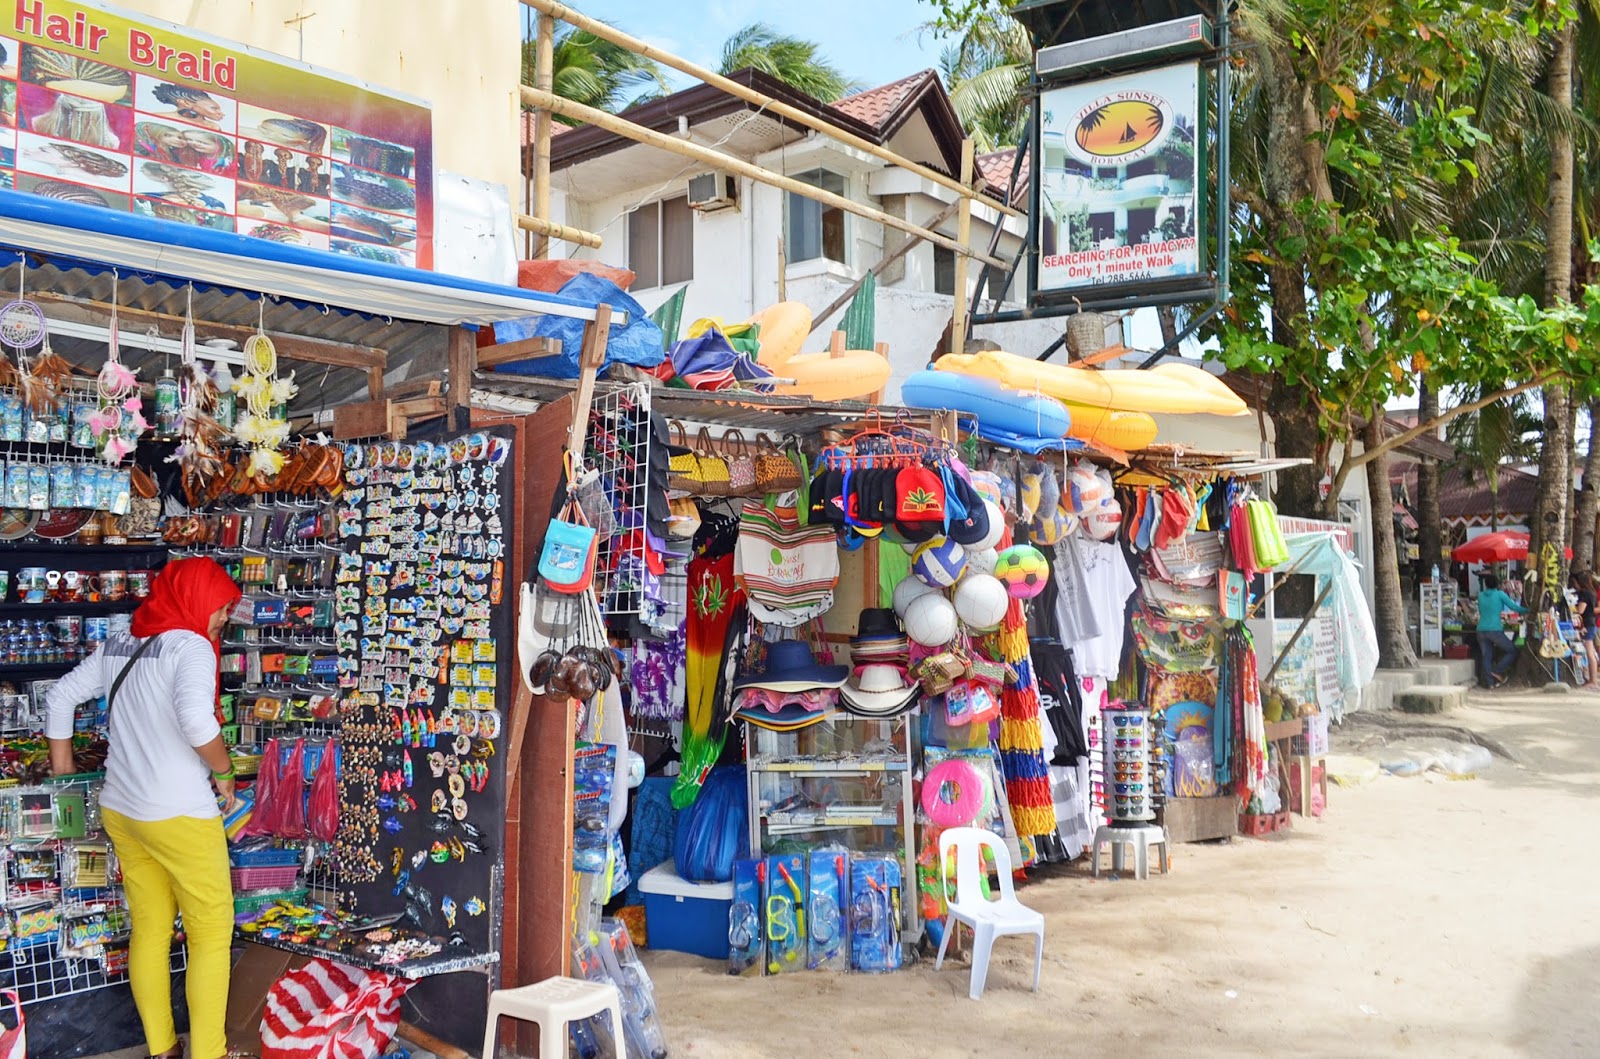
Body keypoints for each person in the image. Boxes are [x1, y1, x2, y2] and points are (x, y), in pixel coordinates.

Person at [46, 559, 244, 1059]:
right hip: (179, 814)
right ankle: (209, 1054)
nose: (224, 617)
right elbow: (197, 722)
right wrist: (224, 772)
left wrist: (64, 773)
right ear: (196, 600)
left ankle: (162, 1050)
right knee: (210, 935)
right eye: (222, 607)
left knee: (151, 931)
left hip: (123, 811)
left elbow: (60, 695)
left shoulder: (120, 643)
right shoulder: (192, 647)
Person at [1476, 574, 1527, 688]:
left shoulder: (1480, 596)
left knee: (1486, 656)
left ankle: (1490, 683)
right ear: (1498, 584)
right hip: (1494, 630)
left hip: (1480, 630)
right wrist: (1529, 610)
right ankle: (1497, 670)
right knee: (1512, 650)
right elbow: (1515, 608)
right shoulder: (1500, 594)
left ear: (1485, 584)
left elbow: (1481, 610)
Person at [149, 82, 225, 130]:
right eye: (214, 108)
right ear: (186, 103)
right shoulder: (158, 117)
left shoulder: (213, 127)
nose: (221, 113)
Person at [1573, 570, 1599, 688]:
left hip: (1587, 624)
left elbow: (1580, 611)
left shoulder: (1585, 594)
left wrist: (1573, 607)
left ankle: (1593, 681)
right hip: (1591, 623)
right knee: (1589, 651)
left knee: (1589, 651)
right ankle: (1590, 678)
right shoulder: (1592, 593)